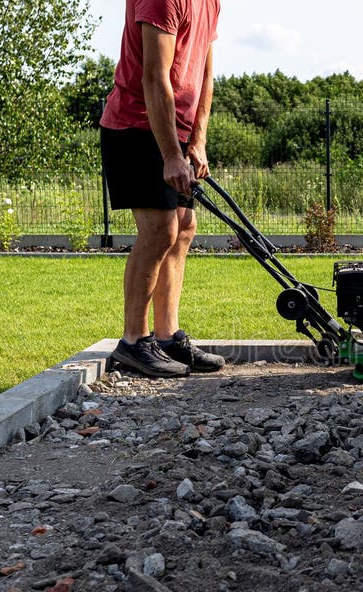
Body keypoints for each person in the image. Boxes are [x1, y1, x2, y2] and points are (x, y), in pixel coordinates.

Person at [99, 0, 225, 377]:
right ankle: (134, 342)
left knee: (184, 229)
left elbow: (205, 70)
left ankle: (167, 337)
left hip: (178, 131)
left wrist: (197, 140)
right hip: (136, 126)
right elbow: (154, 77)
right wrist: (171, 154)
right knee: (159, 230)